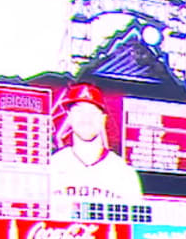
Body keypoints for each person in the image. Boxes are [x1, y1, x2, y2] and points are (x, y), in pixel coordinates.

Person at [48, 82, 144, 219]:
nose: (86, 118)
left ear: (102, 119)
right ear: (69, 117)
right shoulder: (53, 166)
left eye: (92, 112)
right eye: (79, 111)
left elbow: (134, 226)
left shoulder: (123, 173)